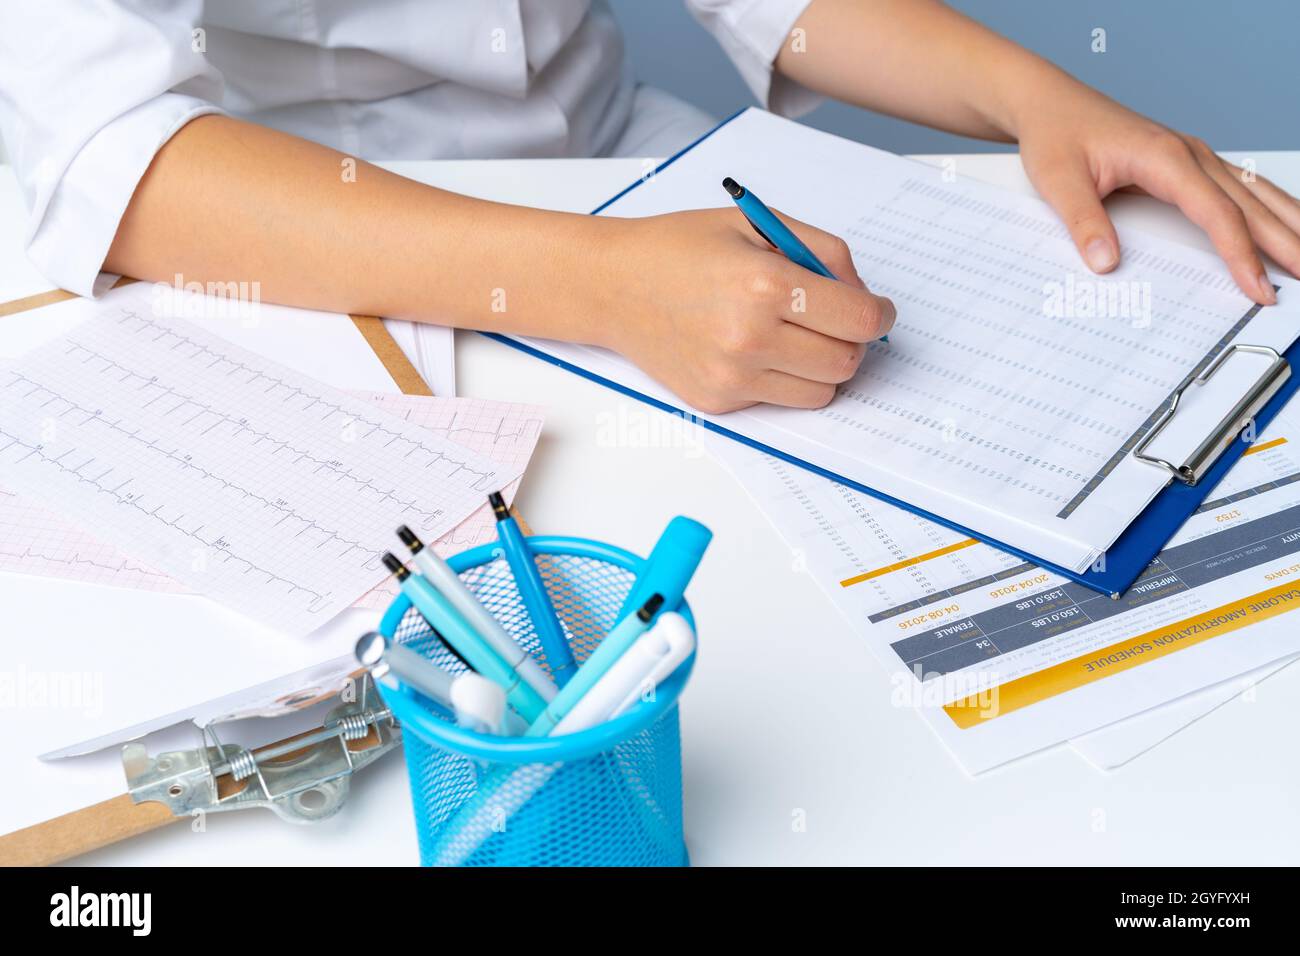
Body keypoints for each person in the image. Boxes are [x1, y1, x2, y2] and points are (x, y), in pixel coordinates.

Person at [2, 1, 1297, 414]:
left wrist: (1034, 94)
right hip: (308, 263)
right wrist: (604, 285)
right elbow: (124, 158)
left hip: (648, 181)